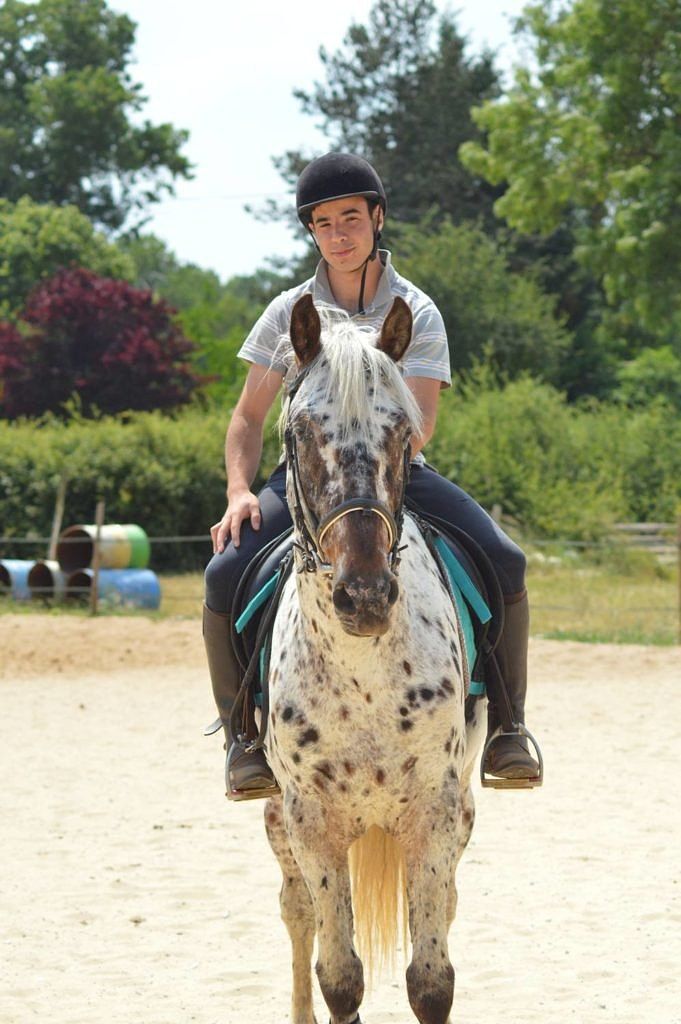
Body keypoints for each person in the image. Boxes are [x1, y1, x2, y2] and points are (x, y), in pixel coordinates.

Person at [204, 152, 541, 800]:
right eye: (324, 223)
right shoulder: (287, 312)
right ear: (311, 232)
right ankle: (242, 740)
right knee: (223, 573)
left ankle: (508, 727)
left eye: (350, 218)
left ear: (377, 218)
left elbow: (420, 424)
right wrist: (239, 490)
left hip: (394, 473)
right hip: (306, 481)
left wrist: (368, 471)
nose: (338, 234)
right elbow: (248, 417)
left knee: (504, 558)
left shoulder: (415, 310)